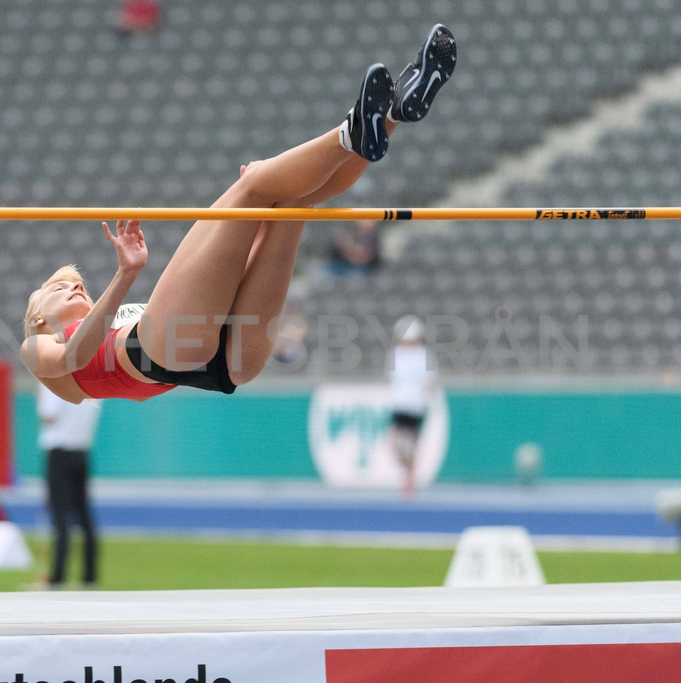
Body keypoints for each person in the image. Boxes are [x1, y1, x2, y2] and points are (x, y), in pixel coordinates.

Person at [22, 24, 456, 404]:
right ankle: (350, 131)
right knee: (253, 185)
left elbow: (222, 296)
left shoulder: (117, 316)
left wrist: (260, 216)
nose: (76, 286)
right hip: (191, 358)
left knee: (290, 204)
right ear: (38, 314)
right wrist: (126, 274)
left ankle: (396, 112)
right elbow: (74, 356)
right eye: (62, 287)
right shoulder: (37, 345)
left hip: (222, 358)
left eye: (75, 283)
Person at [36, 382, 101, 589]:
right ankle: (89, 576)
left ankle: (58, 576)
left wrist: (40, 394)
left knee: (60, 515)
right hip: (82, 449)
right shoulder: (94, 380)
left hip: (59, 450)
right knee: (84, 515)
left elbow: (49, 416)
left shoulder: (56, 378)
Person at [387, 315, 436, 499]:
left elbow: (429, 382)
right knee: (394, 444)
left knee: (413, 446)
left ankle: (409, 480)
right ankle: (407, 472)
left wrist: (427, 402)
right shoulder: (396, 354)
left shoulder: (424, 355)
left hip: (416, 405)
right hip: (400, 404)